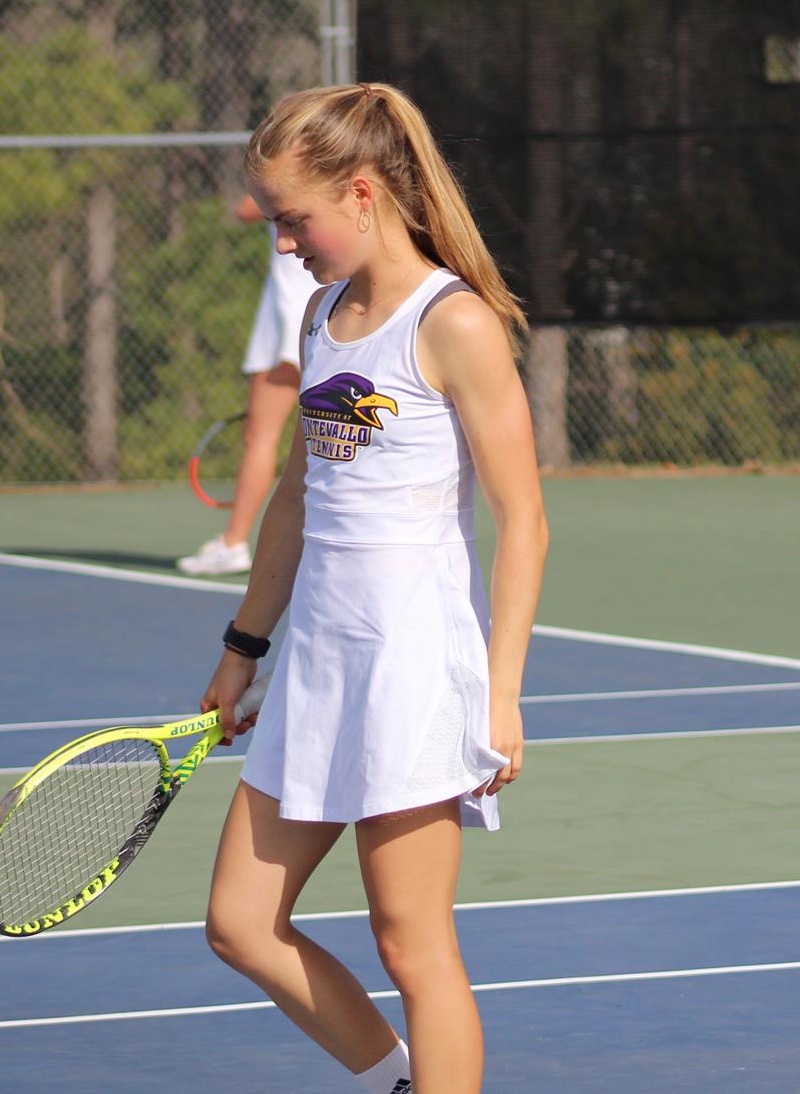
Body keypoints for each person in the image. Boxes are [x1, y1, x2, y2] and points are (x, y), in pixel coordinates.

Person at [199, 82, 547, 1094]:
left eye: (293, 220)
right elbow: (296, 505)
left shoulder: (457, 323)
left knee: (411, 941)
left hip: (409, 668)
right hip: (314, 662)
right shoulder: (318, 316)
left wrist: (502, 691)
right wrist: (241, 650)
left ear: (360, 193)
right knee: (239, 922)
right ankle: (401, 1081)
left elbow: (523, 519)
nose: (285, 243)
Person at [178, 194, 323, 576]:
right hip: (319, 312)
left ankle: (233, 542)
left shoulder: (290, 178)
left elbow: (244, 207)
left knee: (262, 436)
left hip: (290, 316)